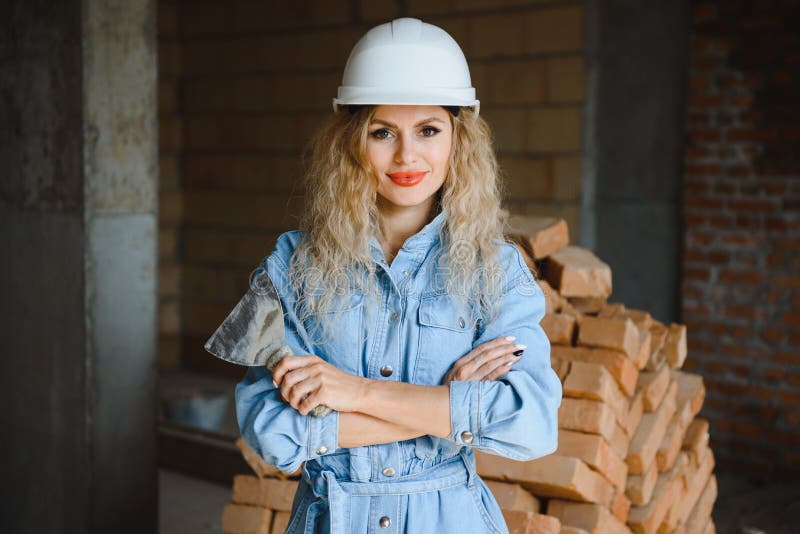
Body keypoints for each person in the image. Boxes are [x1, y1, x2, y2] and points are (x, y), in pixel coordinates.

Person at [235, 17, 562, 534]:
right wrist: (449, 412)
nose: (407, 155)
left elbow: (532, 424)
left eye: (428, 130)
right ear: (351, 141)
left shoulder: (496, 270)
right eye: (383, 132)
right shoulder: (288, 266)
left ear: (459, 139)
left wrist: (350, 393)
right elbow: (270, 431)